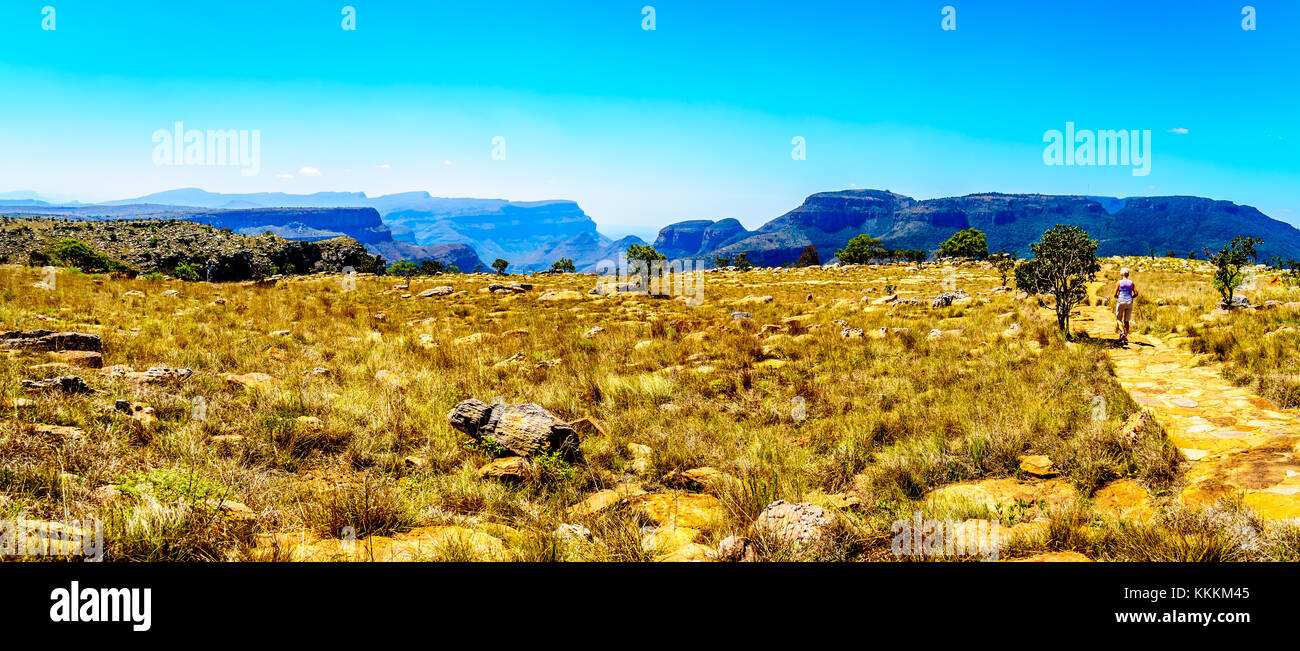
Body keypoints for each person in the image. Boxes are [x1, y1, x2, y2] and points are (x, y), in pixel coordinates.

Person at [1112, 268, 1137, 344]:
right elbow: (1136, 293)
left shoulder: (1119, 282)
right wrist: (1131, 297)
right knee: (1126, 321)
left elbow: (1115, 294)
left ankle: (1122, 332)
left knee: (1118, 319)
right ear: (1128, 274)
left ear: (1121, 274)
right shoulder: (1131, 283)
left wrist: (1118, 297)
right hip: (1129, 302)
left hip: (1121, 301)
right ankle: (1125, 337)